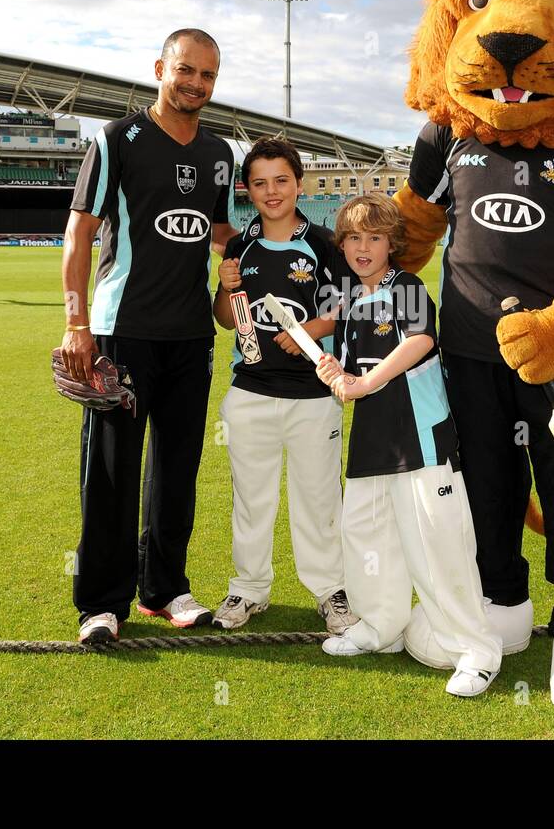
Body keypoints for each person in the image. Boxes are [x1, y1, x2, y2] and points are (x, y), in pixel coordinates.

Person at [59, 29, 235, 645]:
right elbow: (79, 234)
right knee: (111, 468)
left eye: (208, 76)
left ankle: (165, 588)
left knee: (178, 468)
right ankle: (102, 603)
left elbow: (219, 234)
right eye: (186, 70)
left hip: (190, 337)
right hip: (120, 331)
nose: (196, 84)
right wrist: (77, 324)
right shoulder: (116, 140)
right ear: (161, 67)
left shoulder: (220, 152)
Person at [314, 194, 502, 698]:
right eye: (354, 237)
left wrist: (366, 382)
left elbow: (420, 341)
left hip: (420, 435)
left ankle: (476, 651)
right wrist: (337, 374)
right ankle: (380, 627)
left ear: (391, 244)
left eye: (374, 237)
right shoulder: (348, 299)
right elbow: (352, 370)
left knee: (438, 543)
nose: (363, 247)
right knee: (366, 535)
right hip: (372, 439)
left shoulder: (408, 287)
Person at [210, 137, 354, 634]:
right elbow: (227, 320)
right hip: (250, 393)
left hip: (313, 396)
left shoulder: (324, 246)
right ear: (247, 190)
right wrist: (227, 287)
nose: (271, 192)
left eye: (281, 181)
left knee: (319, 500)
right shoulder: (238, 245)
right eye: (259, 183)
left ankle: (331, 591)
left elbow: (344, 312)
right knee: (252, 498)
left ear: (299, 184)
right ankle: (248, 589)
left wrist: (310, 330)